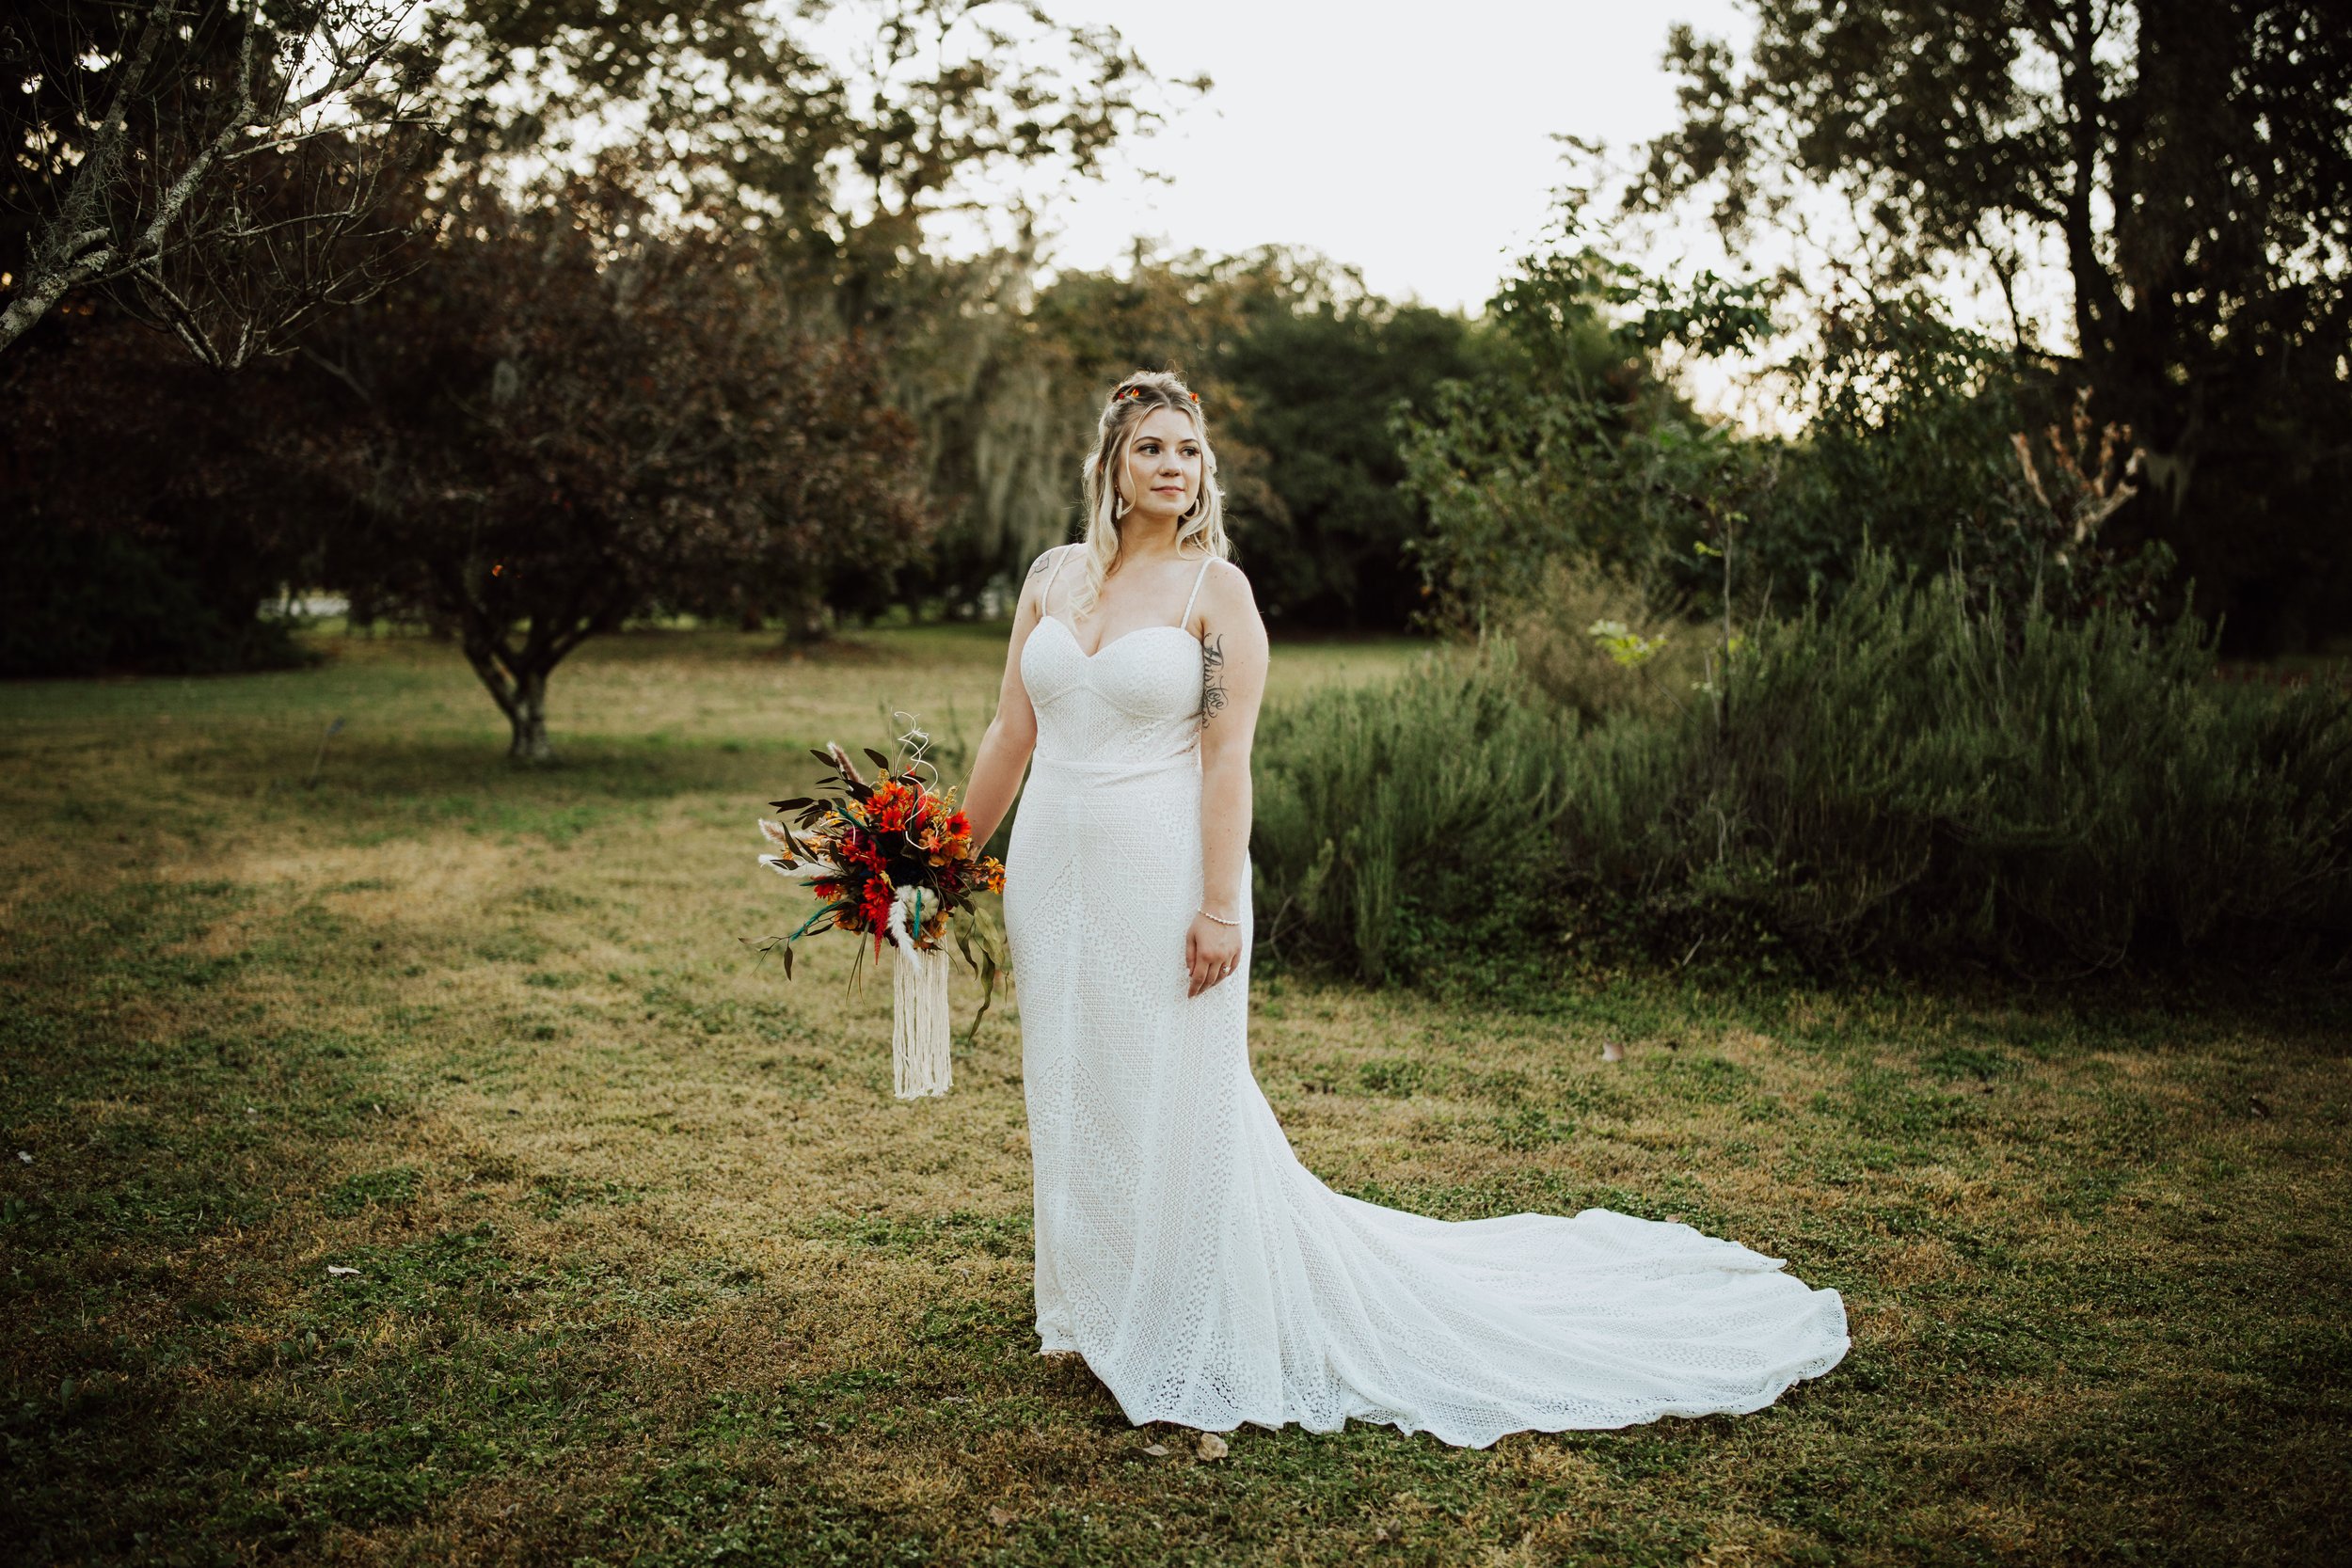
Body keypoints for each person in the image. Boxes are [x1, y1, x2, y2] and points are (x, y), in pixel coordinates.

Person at [956, 369, 1849, 1448]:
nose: (1174, 468)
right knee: (1074, 1076)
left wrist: (1219, 906)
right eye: (1153, 448)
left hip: (1160, 870)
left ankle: (1190, 1329)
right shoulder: (1053, 579)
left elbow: (1228, 760)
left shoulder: (1215, 592)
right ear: (1110, 463)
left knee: (1175, 1095)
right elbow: (1012, 733)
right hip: (1052, 870)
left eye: (1189, 452)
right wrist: (941, 858)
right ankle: (1090, 1306)